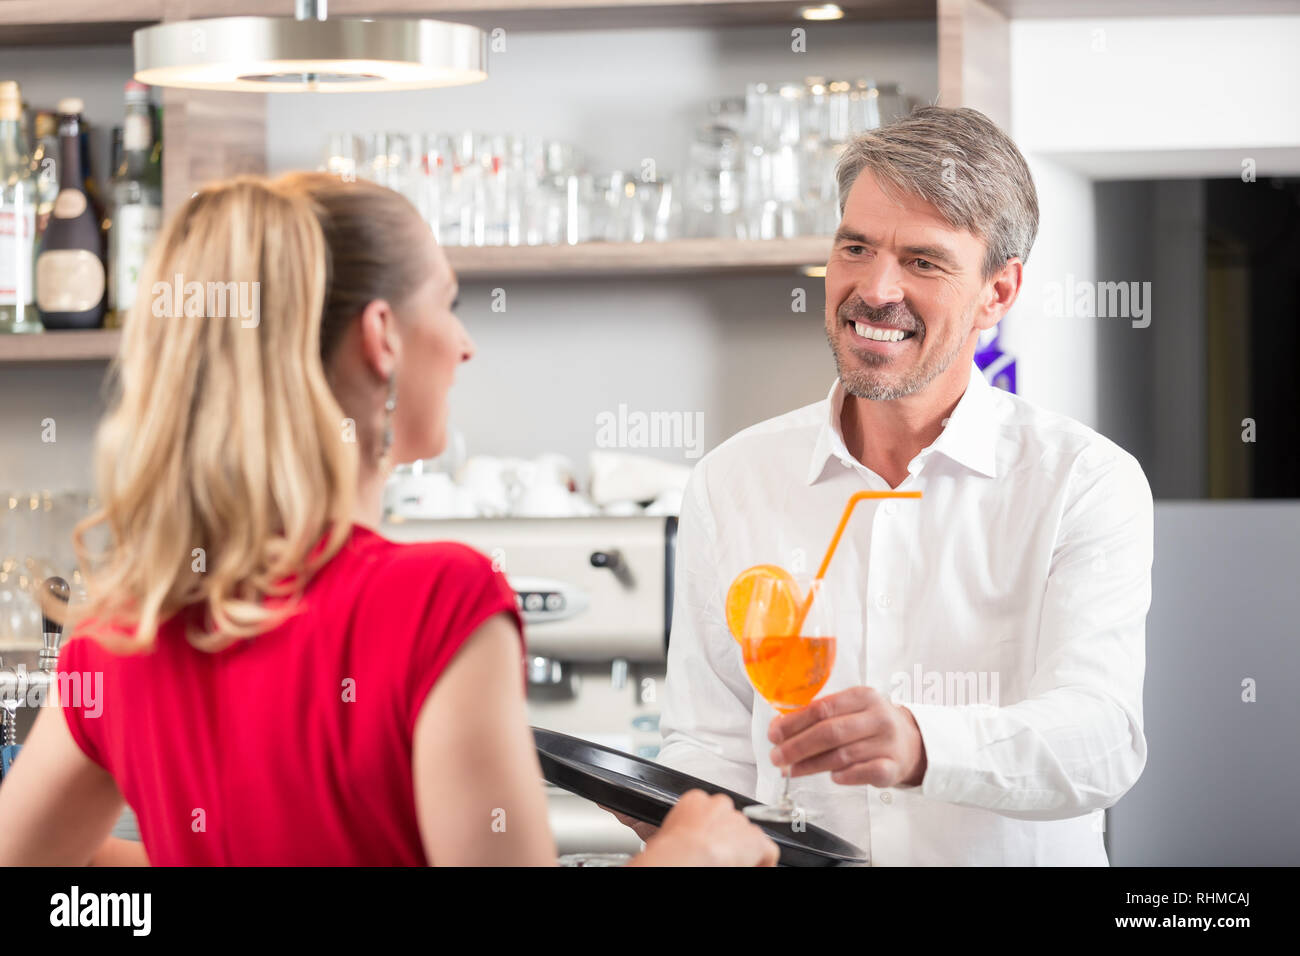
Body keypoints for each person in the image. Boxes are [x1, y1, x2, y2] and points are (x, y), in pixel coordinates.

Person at [0, 173, 777, 868]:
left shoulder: (121, 629)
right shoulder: (439, 598)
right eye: (448, 304)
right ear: (382, 338)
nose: (465, 345)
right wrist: (685, 855)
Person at [624, 107, 1153, 865]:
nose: (875, 289)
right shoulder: (733, 482)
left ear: (997, 293)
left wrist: (921, 744)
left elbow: (1101, 741)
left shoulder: (1083, 482)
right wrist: (670, 811)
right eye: (856, 247)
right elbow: (710, 742)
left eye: (924, 262)